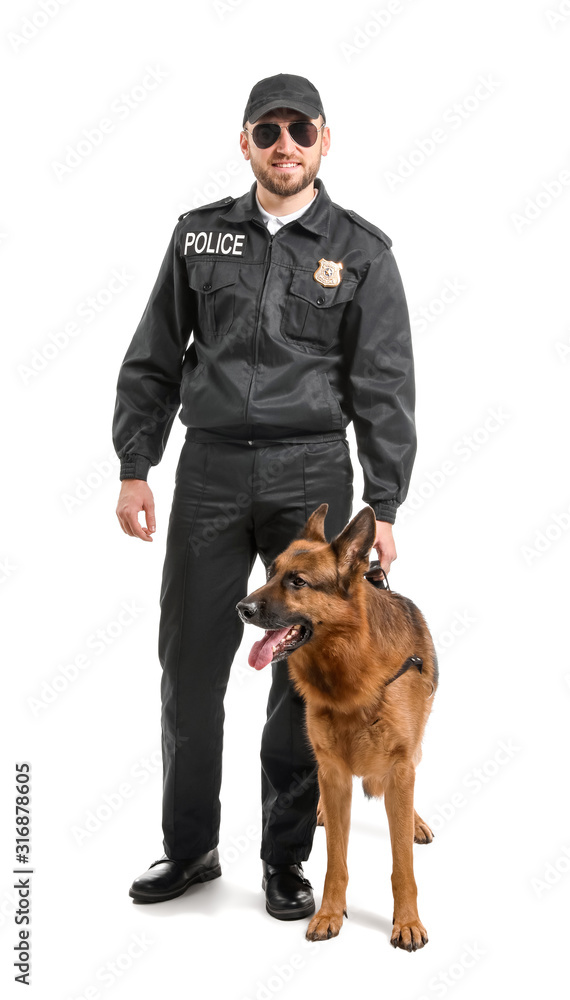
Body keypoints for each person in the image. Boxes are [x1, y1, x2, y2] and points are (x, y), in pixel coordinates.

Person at [112, 73, 417, 920]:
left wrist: (383, 505)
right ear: (244, 141)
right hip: (209, 471)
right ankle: (189, 847)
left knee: (304, 675)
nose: (285, 144)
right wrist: (138, 464)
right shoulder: (200, 238)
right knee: (190, 661)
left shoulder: (361, 252)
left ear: (325, 141)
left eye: (301, 130)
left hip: (311, 476)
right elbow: (154, 357)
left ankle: (286, 860)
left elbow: (383, 382)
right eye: (268, 129)